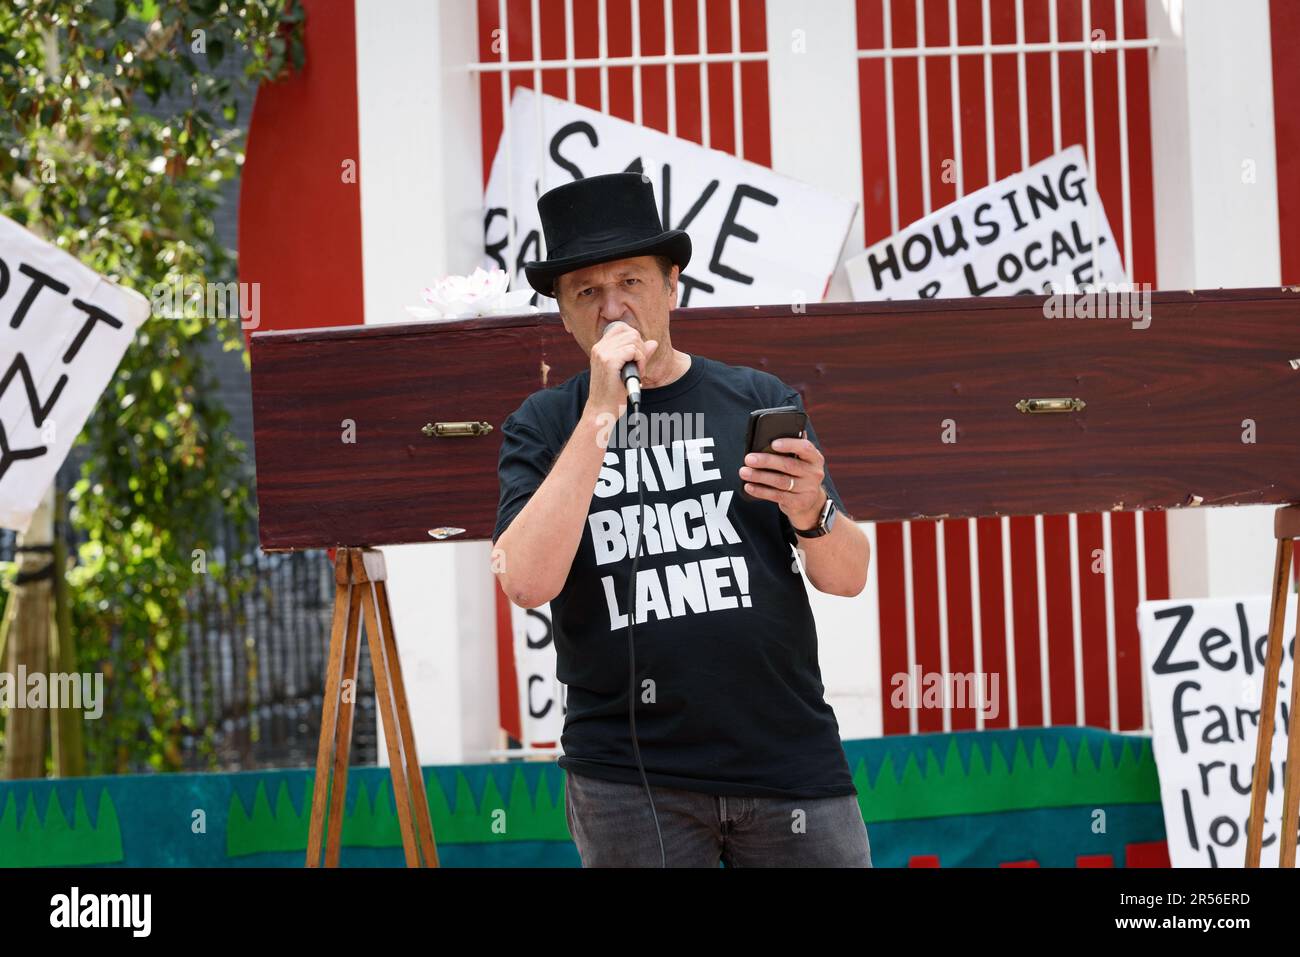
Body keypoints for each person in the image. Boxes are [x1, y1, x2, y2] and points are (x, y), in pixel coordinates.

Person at [491, 172, 873, 867]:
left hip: (789, 761)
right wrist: (601, 414)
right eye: (587, 292)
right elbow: (524, 580)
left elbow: (848, 576)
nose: (614, 309)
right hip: (630, 784)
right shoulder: (544, 425)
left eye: (631, 282)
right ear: (565, 317)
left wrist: (810, 509)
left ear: (673, 287)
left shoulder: (754, 397)